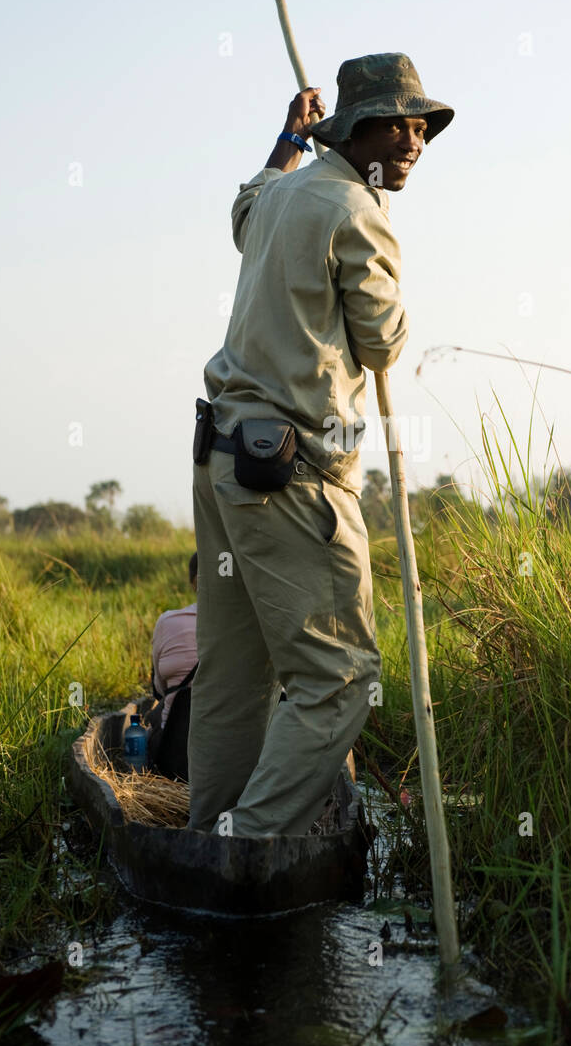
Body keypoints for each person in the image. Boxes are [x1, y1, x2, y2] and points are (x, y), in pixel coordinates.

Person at [188, 53, 453, 836]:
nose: (412, 142)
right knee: (340, 675)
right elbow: (380, 344)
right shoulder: (355, 208)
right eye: (397, 126)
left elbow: (244, 207)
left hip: (223, 454)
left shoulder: (285, 194)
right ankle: (252, 840)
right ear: (356, 131)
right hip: (288, 467)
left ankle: (209, 842)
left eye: (420, 129)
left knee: (235, 678)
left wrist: (285, 141)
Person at [151, 551, 198, 728]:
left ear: (194, 583)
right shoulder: (249, 624)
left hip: (174, 746)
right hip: (237, 744)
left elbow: (159, 688)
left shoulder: (168, 621)